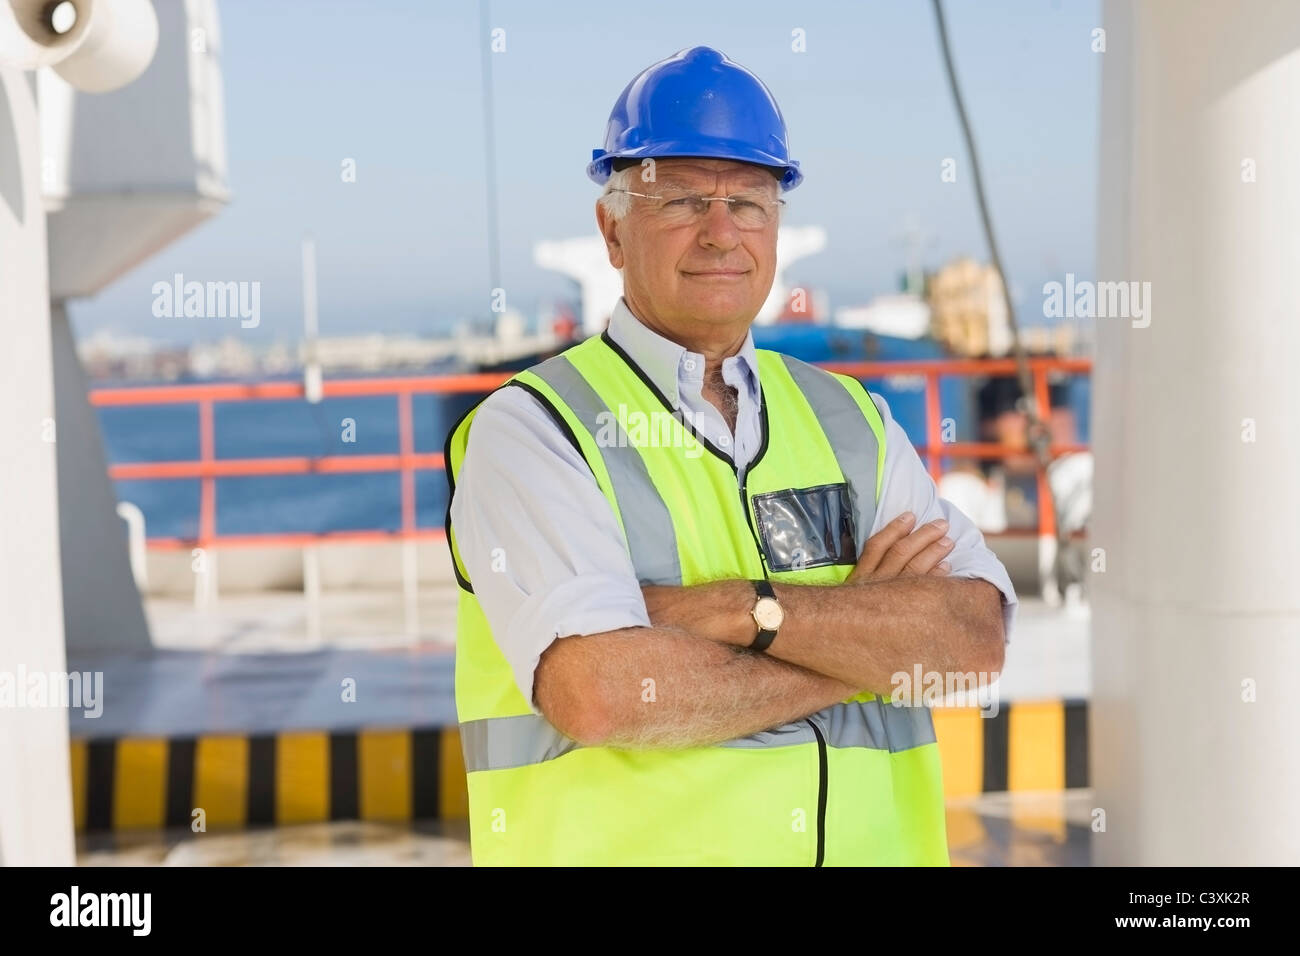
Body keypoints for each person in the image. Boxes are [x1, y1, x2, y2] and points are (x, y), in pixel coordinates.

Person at [445, 46, 1016, 866]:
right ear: (612, 229)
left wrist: (741, 610)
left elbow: (972, 641)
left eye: (748, 201)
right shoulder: (534, 431)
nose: (721, 233)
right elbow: (601, 694)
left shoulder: (850, 418)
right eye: (680, 199)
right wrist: (873, 649)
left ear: (775, 226)